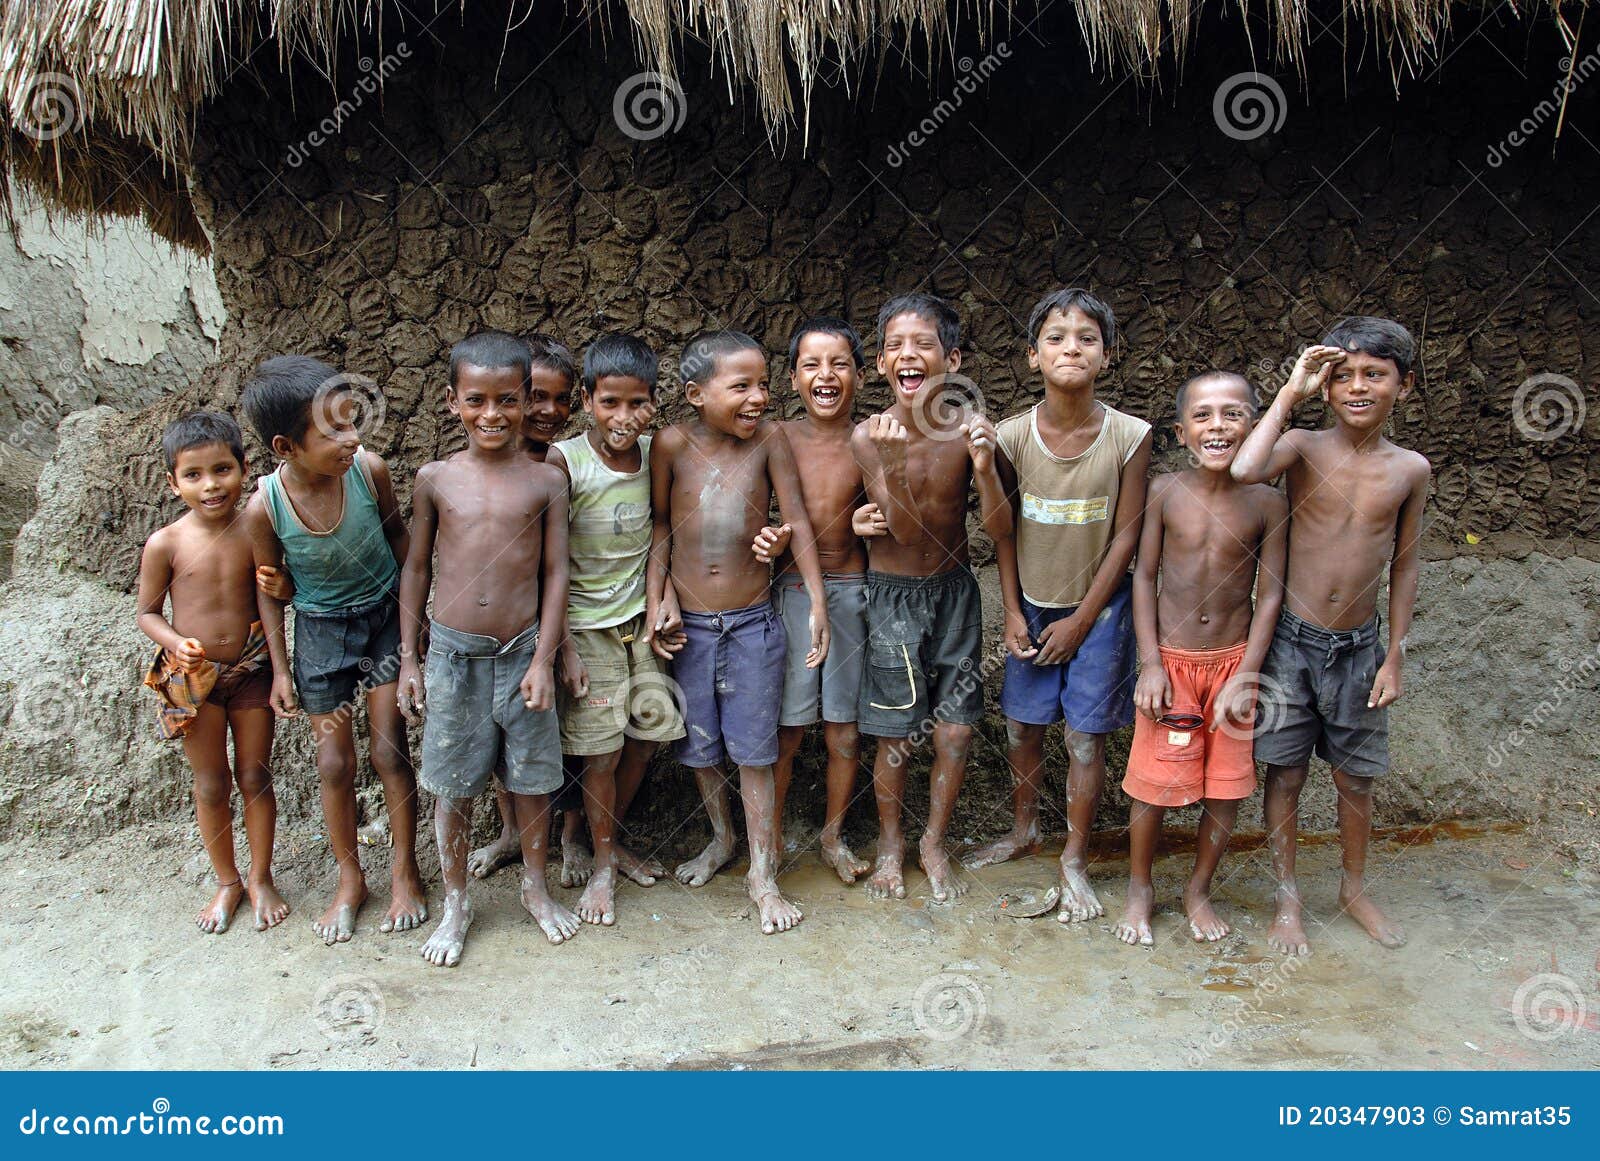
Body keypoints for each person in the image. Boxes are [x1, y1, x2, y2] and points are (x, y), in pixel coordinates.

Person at [1230, 317, 1430, 954]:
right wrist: (1290, 392)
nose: (1357, 387)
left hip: (1360, 649)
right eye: (1343, 376)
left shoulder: (1410, 470)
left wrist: (1393, 653)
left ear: (1405, 385)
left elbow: (1405, 563)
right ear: (1325, 386)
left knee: (1355, 778)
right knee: (1283, 773)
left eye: (1375, 374)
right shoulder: (1303, 448)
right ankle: (1287, 895)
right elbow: (1244, 468)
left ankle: (1352, 887)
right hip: (1292, 643)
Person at [396, 331, 573, 966]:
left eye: (507, 400)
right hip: (452, 656)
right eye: (477, 401)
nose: (492, 415)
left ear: (528, 400)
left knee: (531, 781)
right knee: (453, 784)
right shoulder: (435, 479)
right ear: (452, 402)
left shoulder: (546, 482)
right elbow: (416, 570)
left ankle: (534, 887)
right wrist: (410, 660)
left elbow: (557, 573)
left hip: (524, 652)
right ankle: (456, 902)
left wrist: (545, 658)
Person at [977, 288, 1152, 925]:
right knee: (1023, 727)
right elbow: (1000, 529)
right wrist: (1014, 612)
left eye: (1085, 338)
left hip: (1099, 612)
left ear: (1105, 356)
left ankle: (1074, 857)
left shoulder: (1130, 437)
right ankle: (1026, 828)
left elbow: (1128, 536)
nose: (1070, 348)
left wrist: (1082, 620)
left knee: (1083, 738)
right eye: (1055, 337)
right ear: (1032, 356)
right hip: (1030, 603)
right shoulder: (1011, 437)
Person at [648, 330, 829, 934]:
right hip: (690, 630)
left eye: (763, 385)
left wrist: (818, 602)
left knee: (756, 749)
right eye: (742, 386)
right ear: (696, 394)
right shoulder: (670, 445)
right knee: (700, 747)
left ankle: (762, 872)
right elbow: (659, 531)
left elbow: (796, 520)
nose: (759, 398)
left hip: (754, 624)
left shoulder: (771, 441)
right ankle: (721, 838)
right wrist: (660, 598)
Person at [242, 356, 426, 945]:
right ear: (285, 446)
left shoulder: (369, 472)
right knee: (333, 763)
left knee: (390, 753)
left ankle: (404, 869)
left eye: (353, 423)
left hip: (381, 624)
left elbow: (402, 542)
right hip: (320, 633)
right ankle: (351, 877)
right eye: (334, 431)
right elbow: (269, 590)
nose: (352, 439)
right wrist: (278, 668)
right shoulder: (264, 506)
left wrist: (411, 627)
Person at [1116, 372, 1287, 946]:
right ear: (1182, 430)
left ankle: (1198, 889)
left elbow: (1272, 595)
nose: (1218, 426)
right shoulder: (1165, 491)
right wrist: (1150, 664)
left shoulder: (1268, 501)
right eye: (1204, 416)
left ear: (1256, 425)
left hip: (1233, 663)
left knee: (1226, 785)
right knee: (1151, 783)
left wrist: (1248, 673)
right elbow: (1143, 577)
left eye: (1234, 414)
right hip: (1172, 662)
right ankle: (1140, 887)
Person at [851, 293, 1010, 903]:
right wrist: (891, 466)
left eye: (923, 345)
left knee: (956, 733)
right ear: (882, 365)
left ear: (953, 358)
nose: (908, 355)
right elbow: (905, 532)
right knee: (894, 735)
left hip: (955, 596)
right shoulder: (870, 437)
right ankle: (891, 844)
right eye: (894, 346)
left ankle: (932, 841)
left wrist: (986, 466)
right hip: (891, 598)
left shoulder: (965, 434)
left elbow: (998, 530)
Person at [137, 411, 292, 934]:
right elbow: (147, 613)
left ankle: (260, 875)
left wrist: (284, 591)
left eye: (222, 470)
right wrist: (176, 642)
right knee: (210, 783)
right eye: (194, 475)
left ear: (245, 468)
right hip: (194, 678)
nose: (211, 485)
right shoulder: (166, 543)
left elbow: (280, 593)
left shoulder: (256, 529)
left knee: (254, 775)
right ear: (172, 481)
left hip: (251, 668)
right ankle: (227, 881)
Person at [549, 333, 685, 926]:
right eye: (610, 403)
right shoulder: (565, 461)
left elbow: (662, 529)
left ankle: (596, 831)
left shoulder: (657, 454)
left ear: (654, 402)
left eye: (636, 404)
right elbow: (548, 561)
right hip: (586, 630)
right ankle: (602, 860)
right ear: (587, 400)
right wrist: (561, 644)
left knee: (649, 731)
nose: (623, 418)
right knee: (599, 754)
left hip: (638, 622)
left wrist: (662, 598)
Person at [466, 334, 595, 887]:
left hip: (554, 630)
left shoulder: (559, 469)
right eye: (536, 397)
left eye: (559, 400)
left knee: (558, 738)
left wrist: (561, 647)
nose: (548, 411)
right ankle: (509, 834)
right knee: (503, 737)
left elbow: (557, 571)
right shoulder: (487, 472)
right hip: (500, 635)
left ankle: (570, 835)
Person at [771, 318, 875, 884]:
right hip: (788, 593)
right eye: (812, 364)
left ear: (859, 375)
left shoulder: (869, 441)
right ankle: (774, 832)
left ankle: (833, 836)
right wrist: (766, 537)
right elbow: (756, 511)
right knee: (787, 728)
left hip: (852, 594)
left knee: (844, 729)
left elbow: (896, 515)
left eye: (838, 364)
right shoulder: (777, 437)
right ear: (793, 378)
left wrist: (868, 523)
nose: (825, 375)